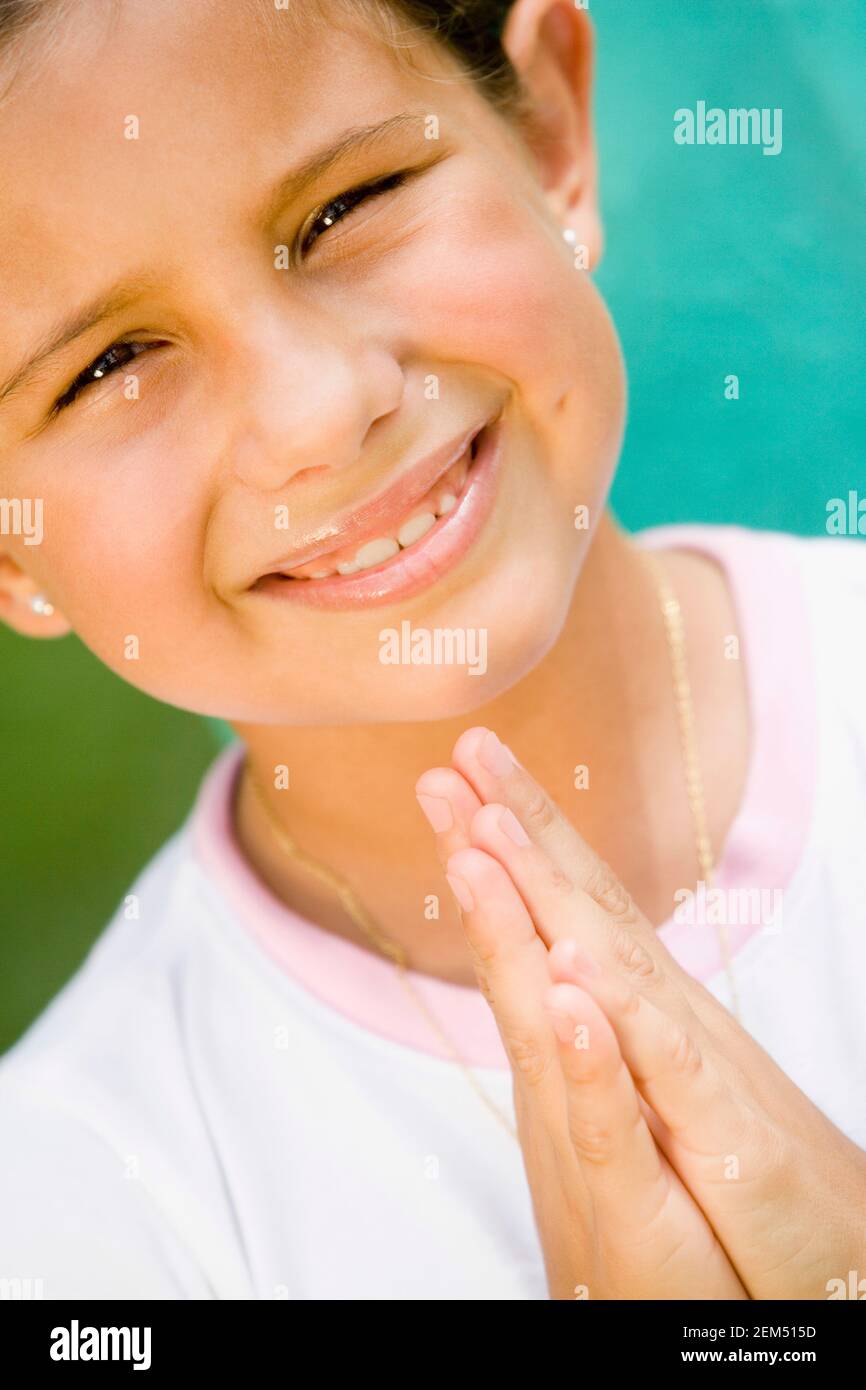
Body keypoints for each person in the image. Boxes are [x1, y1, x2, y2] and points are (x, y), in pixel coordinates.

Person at [0, 0, 864, 1300]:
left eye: (347, 207)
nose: (316, 411)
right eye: (111, 362)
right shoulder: (83, 1208)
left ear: (553, 129)